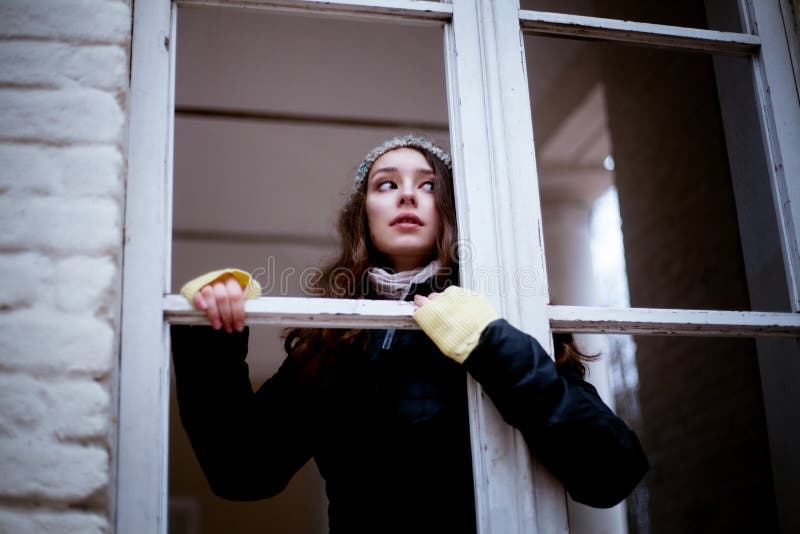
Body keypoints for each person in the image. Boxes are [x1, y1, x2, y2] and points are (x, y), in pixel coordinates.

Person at [171, 134, 648, 533]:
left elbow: (611, 473)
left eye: (427, 185)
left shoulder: (507, 319)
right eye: (387, 184)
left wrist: (489, 343)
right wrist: (210, 328)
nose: (407, 195)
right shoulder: (332, 346)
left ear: (449, 210)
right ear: (363, 215)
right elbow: (241, 472)